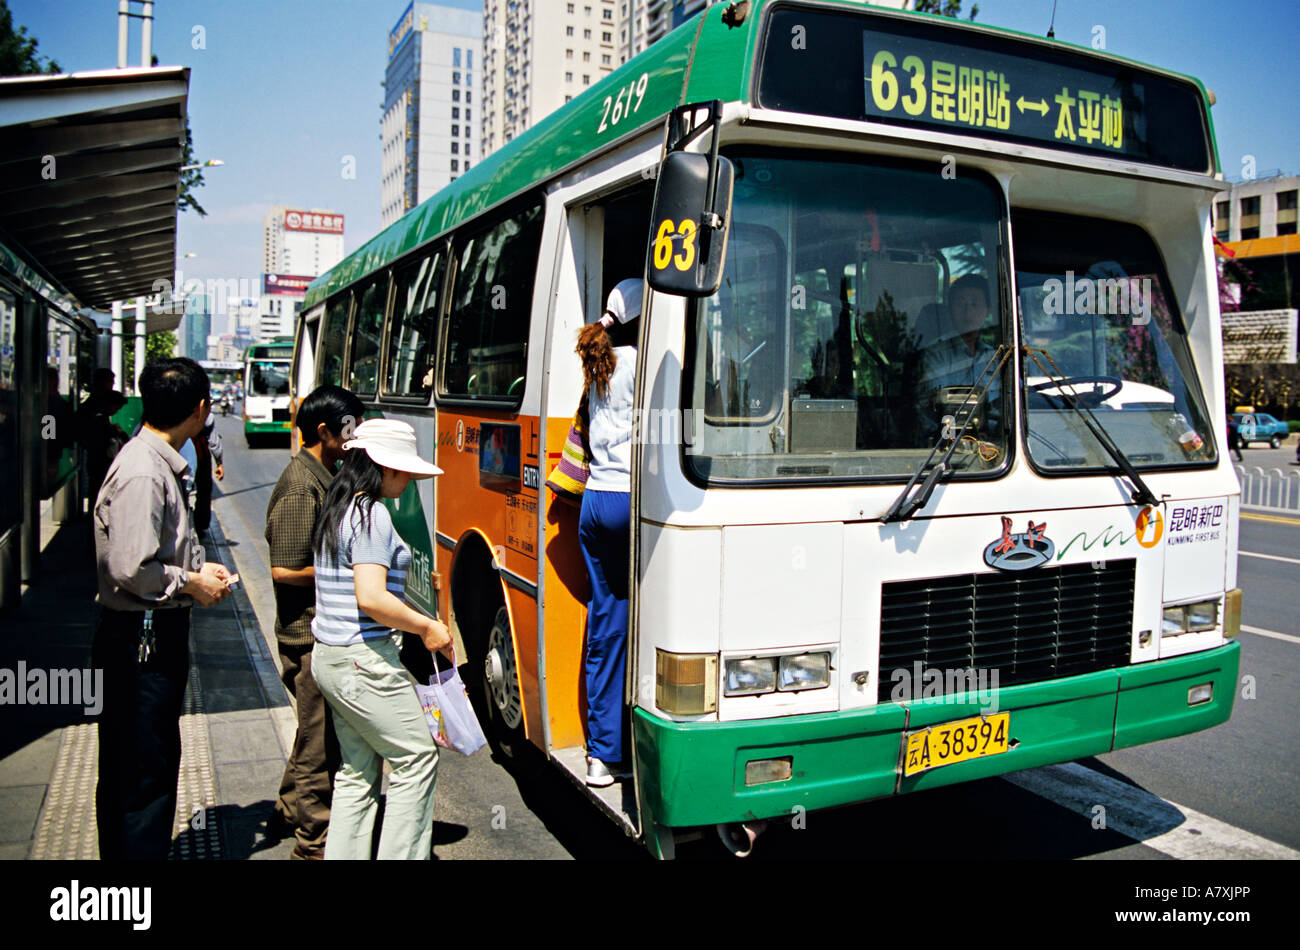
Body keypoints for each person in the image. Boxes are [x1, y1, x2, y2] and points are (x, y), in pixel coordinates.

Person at [92, 357, 234, 860]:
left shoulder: (158, 462)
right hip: (139, 643)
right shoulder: (144, 472)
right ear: (198, 410)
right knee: (142, 775)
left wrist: (200, 569)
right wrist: (190, 583)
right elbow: (131, 569)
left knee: (141, 766)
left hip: (147, 637)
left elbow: (160, 549)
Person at [310, 418, 451, 859]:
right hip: (363, 661)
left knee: (357, 770)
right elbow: (370, 598)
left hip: (330, 657)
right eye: (403, 469)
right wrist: (427, 625)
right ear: (380, 467)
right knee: (416, 758)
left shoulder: (338, 507)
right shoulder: (372, 515)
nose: (409, 478)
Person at [264, 384, 364, 859]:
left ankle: (288, 809)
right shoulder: (300, 484)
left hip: (321, 626)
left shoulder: (326, 472)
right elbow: (284, 569)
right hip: (306, 633)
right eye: (349, 429)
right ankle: (314, 843)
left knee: (313, 732)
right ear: (324, 431)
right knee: (318, 745)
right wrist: (344, 575)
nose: (355, 437)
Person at [575, 278, 640, 787]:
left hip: (594, 500)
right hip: (628, 501)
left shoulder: (601, 360)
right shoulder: (643, 360)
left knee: (607, 624)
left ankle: (602, 753)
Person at [191, 410, 224, 534]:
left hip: (187, 453)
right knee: (204, 490)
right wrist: (219, 463)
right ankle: (201, 525)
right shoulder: (205, 415)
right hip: (201, 455)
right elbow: (214, 442)